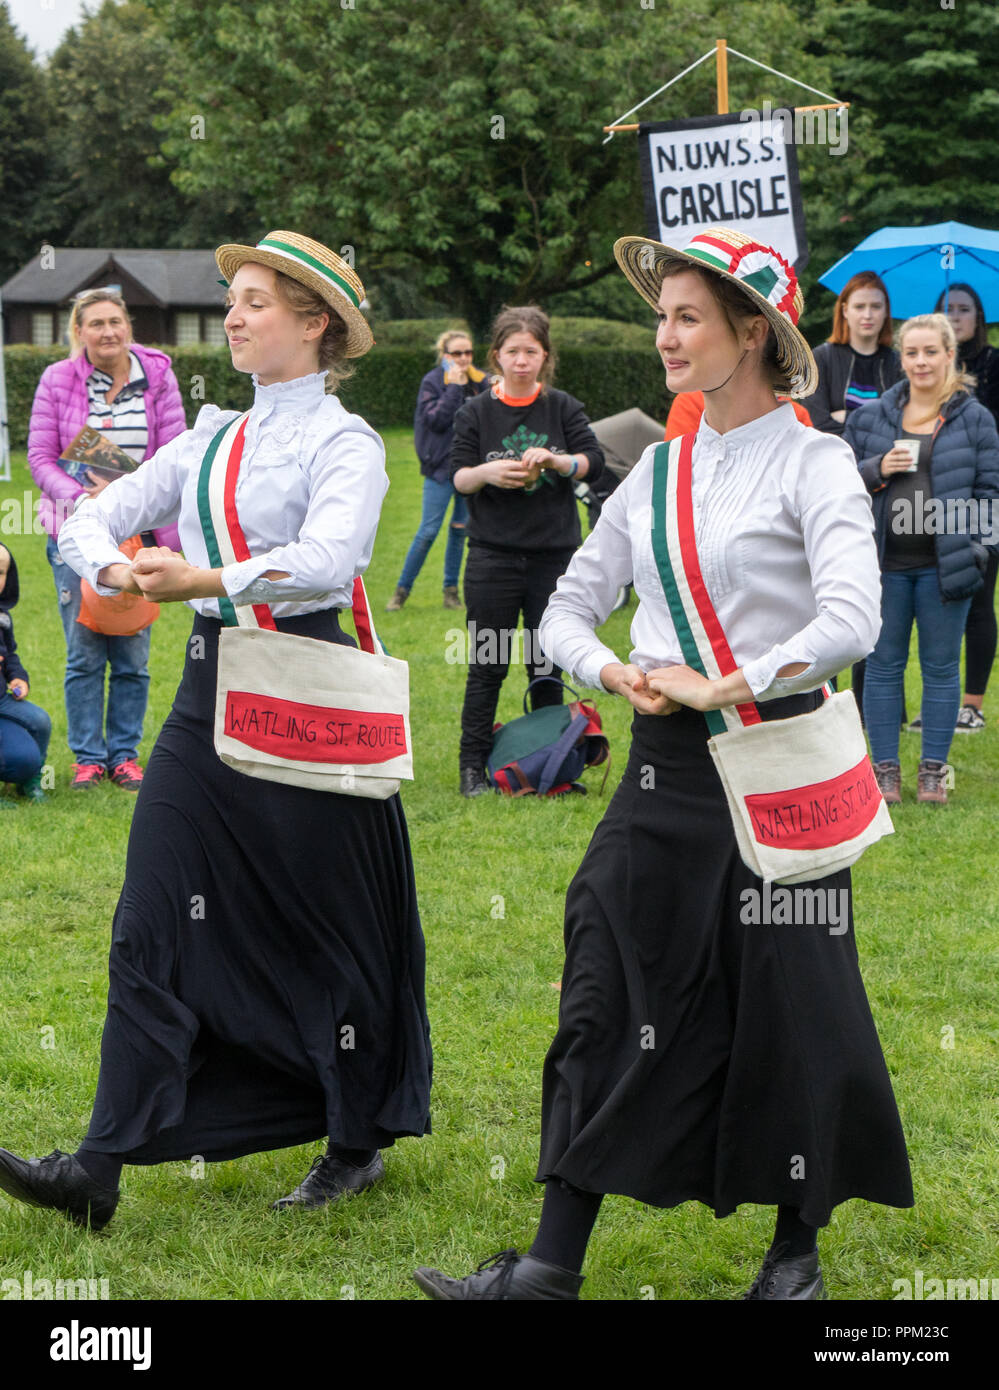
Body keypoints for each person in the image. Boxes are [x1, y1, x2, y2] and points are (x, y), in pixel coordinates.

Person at [414, 227, 913, 1301]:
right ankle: (549, 1268)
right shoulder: (657, 473)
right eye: (663, 314)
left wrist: (731, 683)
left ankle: (794, 1254)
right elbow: (567, 612)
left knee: (789, 997)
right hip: (662, 775)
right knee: (601, 980)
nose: (665, 334)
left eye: (689, 316)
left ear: (753, 334)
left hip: (777, 760)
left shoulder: (816, 458)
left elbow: (855, 616)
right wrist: (611, 670)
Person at [0, 232, 432, 1230]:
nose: (232, 317)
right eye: (231, 302)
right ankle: (96, 1167)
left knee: (334, 930)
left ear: (314, 321)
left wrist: (202, 578)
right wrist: (110, 568)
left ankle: (356, 1137)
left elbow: (330, 559)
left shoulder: (347, 441)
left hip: (309, 685)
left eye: (251, 302)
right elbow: (89, 517)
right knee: (149, 909)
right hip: (207, 692)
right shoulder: (206, 437)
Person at [28, 288, 186, 791]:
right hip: (74, 530)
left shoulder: (157, 375)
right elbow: (40, 456)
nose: (108, 331)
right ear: (79, 331)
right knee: (83, 651)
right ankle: (88, 759)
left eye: (116, 321)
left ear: (128, 326)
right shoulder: (57, 379)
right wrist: (81, 499)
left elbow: (176, 454)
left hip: (139, 534)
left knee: (133, 654)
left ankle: (124, 756)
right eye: (95, 323)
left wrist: (130, 495)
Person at [845, 312, 999, 804]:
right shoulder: (872, 417)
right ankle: (884, 772)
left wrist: (978, 550)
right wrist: (875, 467)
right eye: (912, 353)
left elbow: (990, 492)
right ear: (901, 358)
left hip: (944, 565)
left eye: (931, 351)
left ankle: (933, 771)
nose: (921, 361)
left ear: (950, 355)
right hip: (884, 567)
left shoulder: (975, 419)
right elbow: (840, 482)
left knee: (940, 668)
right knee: (883, 664)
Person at [449, 306, 604, 797]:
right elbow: (458, 475)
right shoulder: (475, 411)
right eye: (512, 352)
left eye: (531, 352)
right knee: (488, 663)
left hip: (552, 558)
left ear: (544, 357)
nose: (521, 361)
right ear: (496, 356)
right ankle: (472, 767)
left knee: (546, 663)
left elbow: (593, 462)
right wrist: (488, 473)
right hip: (493, 557)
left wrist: (559, 461)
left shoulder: (562, 408)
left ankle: (552, 760)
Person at [933, 283, 999, 732]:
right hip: (938, 496)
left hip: (986, 494)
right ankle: (941, 703)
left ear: (978, 317)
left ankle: (971, 705)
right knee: (939, 601)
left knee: (978, 598)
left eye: (964, 309)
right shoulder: (931, 364)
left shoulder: (994, 364)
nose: (956, 316)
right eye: (947, 309)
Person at [386, 330, 490, 612]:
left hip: (469, 470)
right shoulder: (433, 381)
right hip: (440, 469)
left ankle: (451, 593)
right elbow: (436, 421)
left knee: (460, 531)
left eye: (468, 352)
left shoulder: (480, 382)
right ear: (445, 356)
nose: (464, 359)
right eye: (457, 353)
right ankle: (401, 592)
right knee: (428, 531)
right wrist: (454, 388)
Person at [803, 271, 902, 435]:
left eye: (876, 307)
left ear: (886, 311)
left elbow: (900, 424)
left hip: (885, 459)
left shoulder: (898, 363)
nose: (868, 315)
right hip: (834, 457)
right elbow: (818, 425)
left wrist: (848, 416)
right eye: (859, 307)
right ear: (845, 310)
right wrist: (876, 427)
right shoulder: (820, 359)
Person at [0, 544, 52, 806]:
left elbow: (10, 655)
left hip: (2, 699)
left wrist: (17, 677)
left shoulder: (2, 617)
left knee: (39, 721)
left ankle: (30, 780)